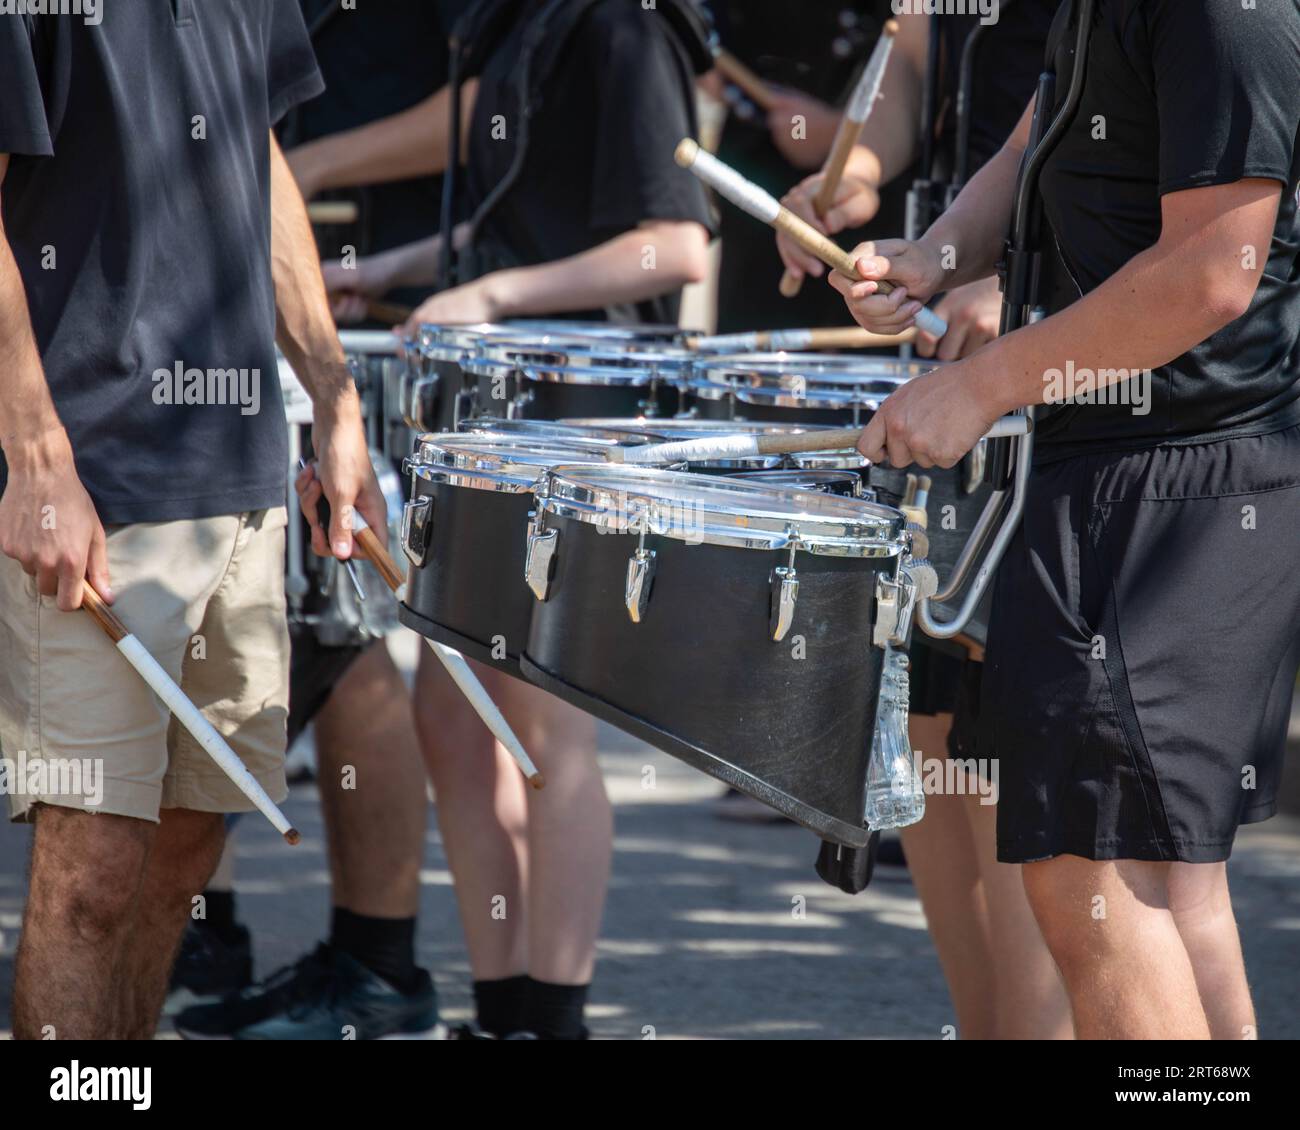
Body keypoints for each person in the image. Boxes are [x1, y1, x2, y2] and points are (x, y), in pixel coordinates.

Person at [835, 0, 1300, 1038]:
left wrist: (986, 384)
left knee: (1090, 875)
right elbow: (1049, 119)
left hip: (1177, 479)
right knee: (1158, 877)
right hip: (1129, 464)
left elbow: (1213, 273)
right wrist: (941, 254)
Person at [324, 0, 714, 1039]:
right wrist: (394, 274)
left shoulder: (624, 28)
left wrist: (494, 296)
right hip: (494, 417)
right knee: (453, 718)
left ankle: (557, 1014)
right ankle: (500, 1011)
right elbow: (520, 214)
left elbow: (672, 247)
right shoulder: (508, 26)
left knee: (548, 730)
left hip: (576, 423)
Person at [0, 1, 386, 1039]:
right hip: (90, 472)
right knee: (91, 872)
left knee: (182, 850)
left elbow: (252, 147)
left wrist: (334, 396)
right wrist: (37, 457)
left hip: (237, 462)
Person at [173, 0, 471, 1042]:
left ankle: (377, 957)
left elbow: (485, 107)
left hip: (364, 302)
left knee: (337, 630)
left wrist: (294, 147)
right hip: (213, 297)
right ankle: (195, 932)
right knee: (199, 631)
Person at [774, 4, 1070, 1040]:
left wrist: (1012, 285)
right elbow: (911, 59)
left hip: (1065, 369)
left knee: (1014, 767)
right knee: (931, 723)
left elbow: (1118, 153)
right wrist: (855, 185)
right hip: (946, 349)